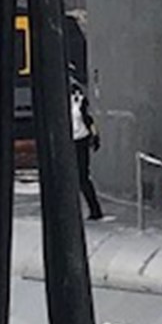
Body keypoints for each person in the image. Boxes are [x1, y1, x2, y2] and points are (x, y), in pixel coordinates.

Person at [70, 83, 105, 221]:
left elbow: (89, 120)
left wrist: (95, 136)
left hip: (80, 141)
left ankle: (95, 210)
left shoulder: (81, 102)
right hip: (69, 141)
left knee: (83, 177)